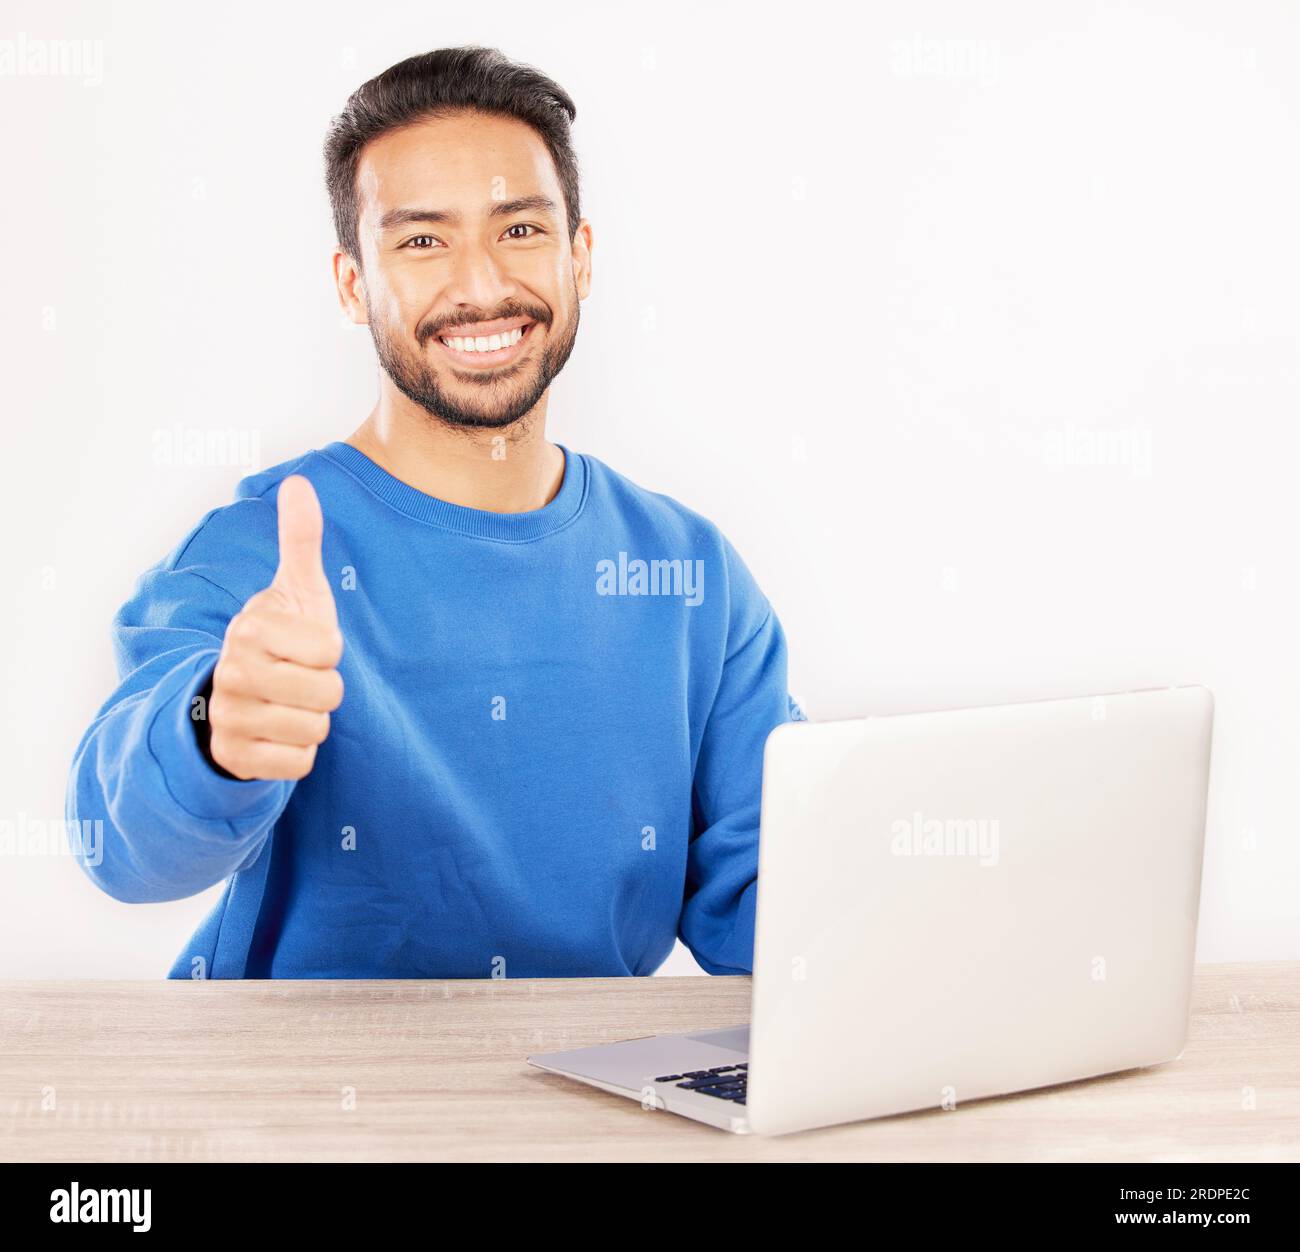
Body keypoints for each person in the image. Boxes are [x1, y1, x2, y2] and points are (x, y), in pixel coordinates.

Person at [66, 45, 802, 980]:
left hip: (595, 1108)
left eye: (521, 229)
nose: (482, 285)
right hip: (300, 1109)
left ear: (580, 254)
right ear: (351, 284)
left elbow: (773, 903)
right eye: (421, 241)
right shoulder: (259, 552)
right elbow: (118, 846)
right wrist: (214, 729)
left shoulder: (689, 570)